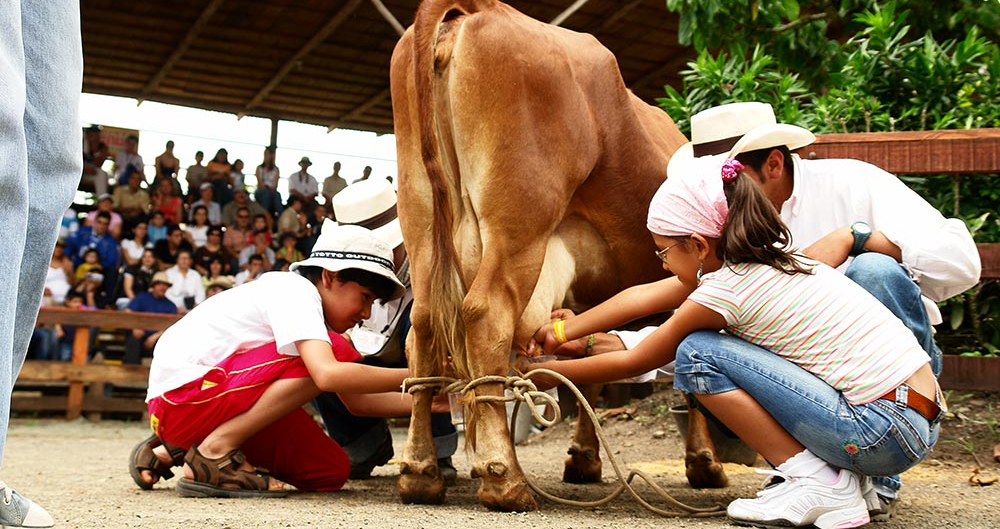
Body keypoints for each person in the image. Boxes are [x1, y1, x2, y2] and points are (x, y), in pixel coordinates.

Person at [530, 156, 942, 528]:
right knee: (712, 347)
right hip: (913, 419)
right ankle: (841, 484)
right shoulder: (774, 261)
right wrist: (566, 330)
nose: (664, 264)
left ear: (697, 245)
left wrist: (549, 374)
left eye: (663, 253)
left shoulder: (724, 292)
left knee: (698, 353)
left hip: (878, 433)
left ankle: (820, 482)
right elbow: (641, 296)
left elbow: (634, 362)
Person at [127, 223, 440, 498]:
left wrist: (433, 398)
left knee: (330, 471)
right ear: (330, 277)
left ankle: (172, 450)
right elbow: (328, 376)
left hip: (198, 405)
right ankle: (213, 451)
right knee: (334, 352)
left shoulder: (310, 313)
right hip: (182, 399)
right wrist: (421, 374)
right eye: (366, 297)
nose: (366, 313)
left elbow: (360, 404)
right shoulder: (295, 289)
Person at [312, 180, 458, 481]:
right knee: (319, 351)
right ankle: (361, 443)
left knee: (427, 330)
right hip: (364, 358)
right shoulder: (331, 285)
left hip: (417, 350)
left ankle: (437, 447)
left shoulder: (435, 264)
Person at [123, 272, 178, 364]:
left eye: (165, 285)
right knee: (133, 340)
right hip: (139, 334)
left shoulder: (171, 306)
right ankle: (131, 373)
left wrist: (155, 337)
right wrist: (135, 327)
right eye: (159, 284)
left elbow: (172, 327)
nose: (162, 287)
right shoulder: (141, 297)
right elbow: (128, 312)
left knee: (168, 346)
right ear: (153, 286)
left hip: (158, 338)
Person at [66, 211, 120, 278]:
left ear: (108, 225)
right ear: (94, 221)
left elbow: (112, 260)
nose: (101, 226)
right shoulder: (82, 232)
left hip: (98, 270)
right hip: (78, 264)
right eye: (99, 222)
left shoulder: (111, 241)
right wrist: (66, 258)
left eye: (105, 224)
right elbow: (70, 245)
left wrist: (98, 266)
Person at [112, 169, 151, 234]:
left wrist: (127, 209)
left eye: (138, 179)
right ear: (129, 179)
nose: (135, 181)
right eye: (133, 178)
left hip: (137, 220)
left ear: (140, 181)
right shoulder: (119, 190)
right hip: (122, 218)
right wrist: (129, 209)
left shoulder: (145, 195)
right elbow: (114, 207)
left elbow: (145, 211)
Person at [42, 241, 74, 308]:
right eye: (56, 247)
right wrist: (42, 290)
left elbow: (72, 283)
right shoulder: (43, 263)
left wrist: (70, 271)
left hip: (64, 298)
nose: (59, 249)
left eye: (61, 247)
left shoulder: (67, 263)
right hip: (46, 297)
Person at [253, 146, 282, 217]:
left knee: (277, 195)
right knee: (266, 194)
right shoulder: (259, 168)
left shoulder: (276, 169)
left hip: (272, 190)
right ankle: (264, 215)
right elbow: (260, 184)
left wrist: (271, 189)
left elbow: (275, 184)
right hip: (261, 190)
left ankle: (280, 216)